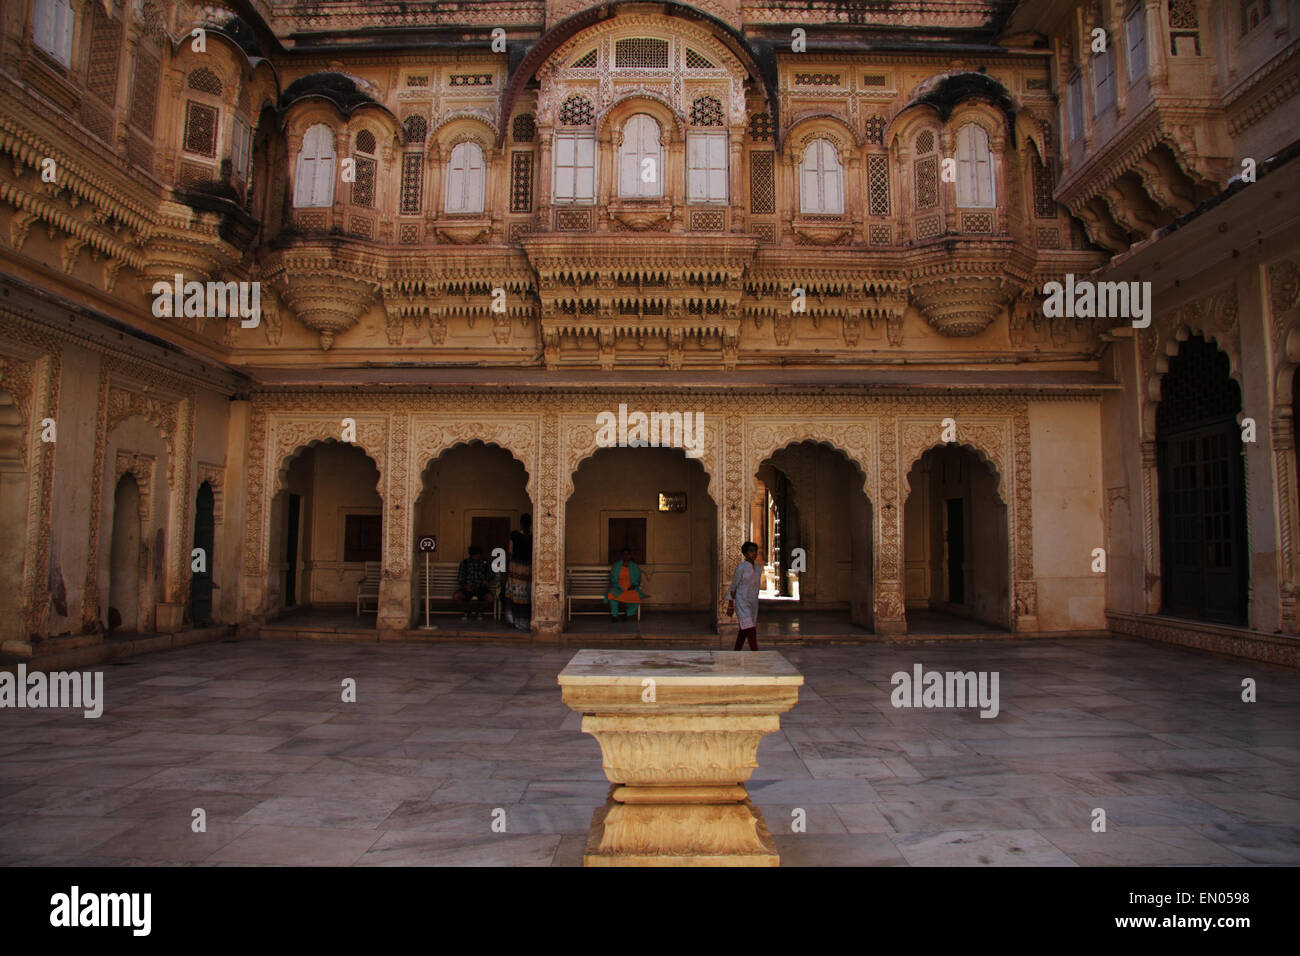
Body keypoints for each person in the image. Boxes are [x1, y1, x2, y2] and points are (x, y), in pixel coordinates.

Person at [725, 540, 762, 651]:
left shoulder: (758, 569)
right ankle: (755, 651)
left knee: (745, 627)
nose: (754, 554)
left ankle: (737, 650)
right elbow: (733, 587)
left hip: (753, 602)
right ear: (745, 554)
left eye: (755, 551)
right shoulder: (741, 568)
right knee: (750, 627)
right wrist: (730, 605)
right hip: (742, 602)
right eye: (751, 551)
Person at [503, 513, 532, 631]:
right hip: (527, 568)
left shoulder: (514, 535)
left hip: (515, 567)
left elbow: (510, 550)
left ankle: (513, 619)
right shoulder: (532, 537)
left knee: (514, 593)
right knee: (525, 595)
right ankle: (524, 622)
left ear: (520, 522)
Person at [606, 547, 646, 621]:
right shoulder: (616, 565)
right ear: (621, 556)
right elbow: (612, 577)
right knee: (611, 595)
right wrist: (616, 585)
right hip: (618, 587)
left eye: (627, 554)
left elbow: (638, 578)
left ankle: (627, 614)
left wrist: (634, 585)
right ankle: (614, 616)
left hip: (630, 587)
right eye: (624, 554)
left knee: (637, 597)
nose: (626, 556)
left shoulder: (634, 566)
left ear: (630, 556)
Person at [455, 545, 493, 620]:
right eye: (474, 555)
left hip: (481, 587)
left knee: (490, 598)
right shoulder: (465, 563)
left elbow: (490, 574)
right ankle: (467, 609)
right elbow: (460, 578)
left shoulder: (485, 563)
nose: (476, 557)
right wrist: (465, 585)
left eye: (478, 555)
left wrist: (487, 581)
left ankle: (480, 609)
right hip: (468, 587)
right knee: (456, 596)